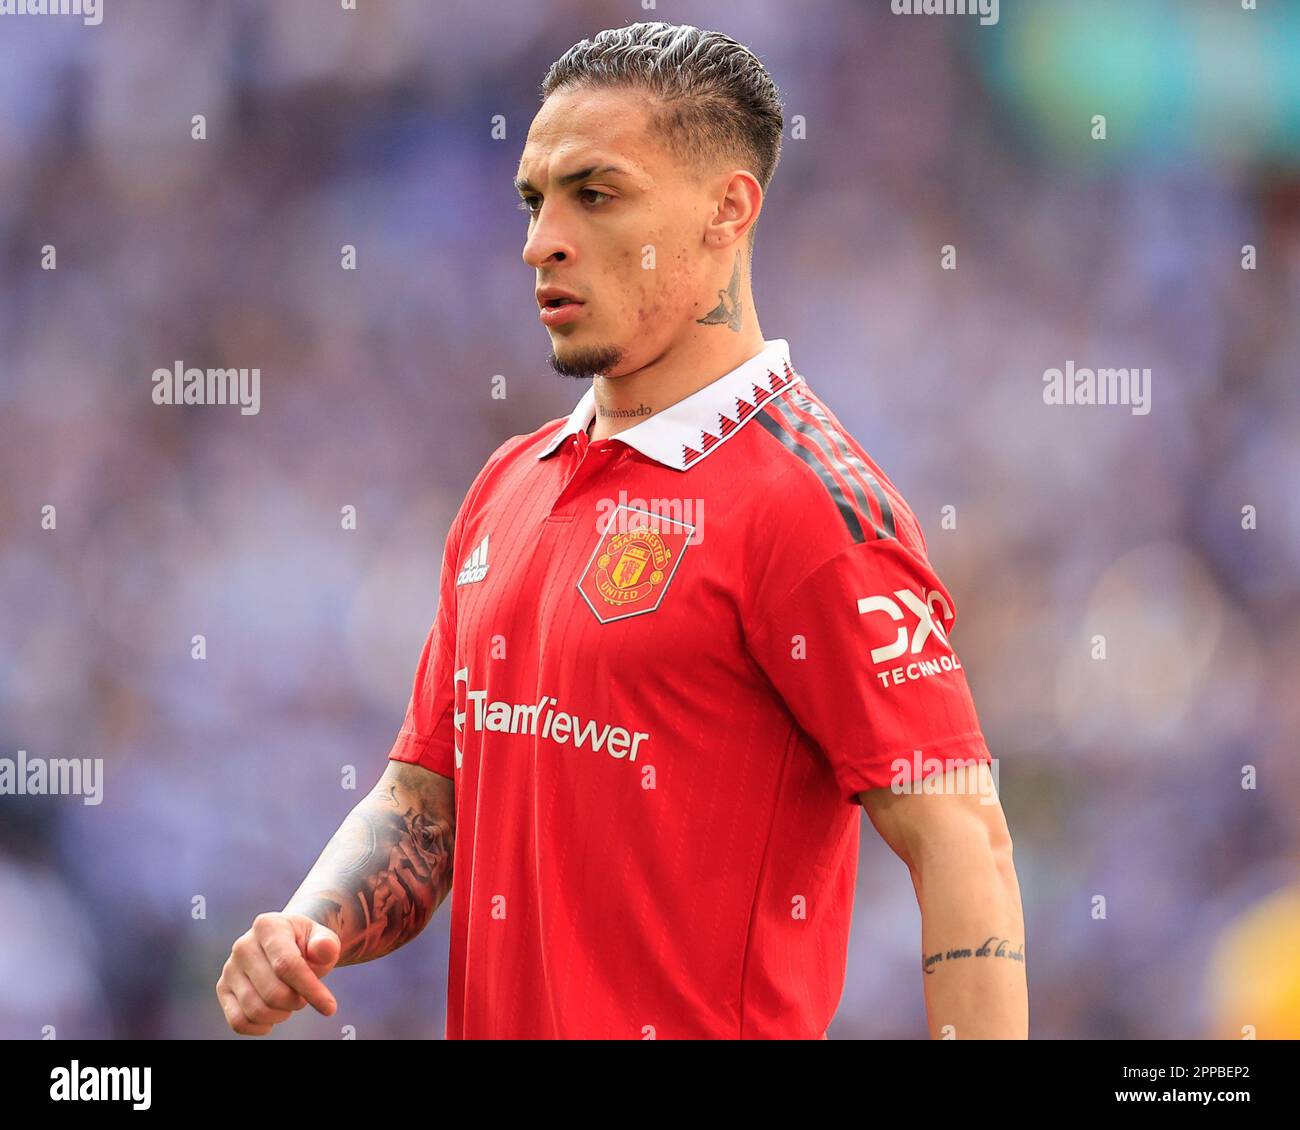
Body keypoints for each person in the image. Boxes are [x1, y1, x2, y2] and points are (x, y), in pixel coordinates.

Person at [217, 20, 1027, 1040]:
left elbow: (964, 838)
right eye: (533, 199)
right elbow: (427, 799)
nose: (538, 240)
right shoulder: (508, 486)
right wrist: (310, 922)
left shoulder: (812, 509)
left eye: (594, 195)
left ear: (726, 211)